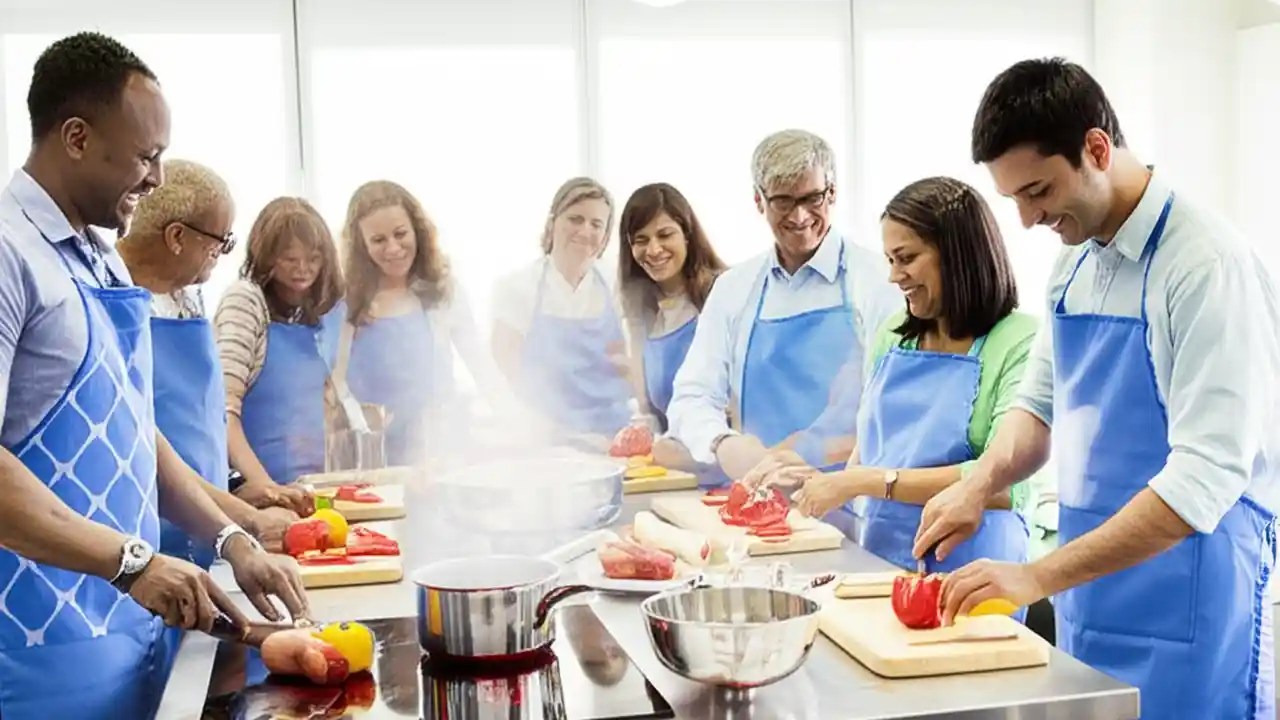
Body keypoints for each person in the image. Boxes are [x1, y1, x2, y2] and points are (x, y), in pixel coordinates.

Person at [914, 58, 1280, 719]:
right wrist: (976, 484)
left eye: (1039, 191)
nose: (1027, 219)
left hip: (1190, 599)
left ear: (1097, 148)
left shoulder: (1205, 266)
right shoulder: (1073, 261)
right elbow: (1037, 405)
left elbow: (1205, 475)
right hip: (1093, 591)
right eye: (1015, 199)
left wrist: (1036, 576)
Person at [0, 32, 306, 719]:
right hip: (37, 654)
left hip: (131, 642)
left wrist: (233, 537)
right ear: (76, 137)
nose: (157, 180)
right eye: (146, 156)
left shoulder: (99, 262)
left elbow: (131, 429)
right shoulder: (8, 255)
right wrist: (135, 562)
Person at [745, 177, 1039, 617]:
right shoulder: (893, 337)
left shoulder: (1017, 340)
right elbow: (867, 453)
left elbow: (1000, 483)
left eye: (906, 259)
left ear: (957, 257)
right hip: (880, 562)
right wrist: (822, 481)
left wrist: (862, 482)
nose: (893, 275)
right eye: (889, 259)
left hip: (975, 575)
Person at [115, 158, 308, 681]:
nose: (223, 256)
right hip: (144, 555)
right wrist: (241, 523)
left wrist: (242, 499)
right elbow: (150, 451)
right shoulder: (116, 306)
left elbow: (199, 429)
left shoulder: (187, 298)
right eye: (219, 242)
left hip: (207, 540)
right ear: (177, 237)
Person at [665, 129, 900, 483]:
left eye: (813, 198)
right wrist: (723, 443)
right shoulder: (733, 289)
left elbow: (893, 402)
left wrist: (819, 456)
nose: (800, 215)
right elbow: (692, 395)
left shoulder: (880, 281)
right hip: (761, 502)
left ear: (832, 193)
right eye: (783, 201)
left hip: (855, 498)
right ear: (759, 201)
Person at [335, 180, 505, 466]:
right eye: (378, 240)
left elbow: (483, 369)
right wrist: (363, 427)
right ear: (361, 246)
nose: (393, 248)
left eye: (400, 234)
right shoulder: (346, 303)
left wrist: (524, 428)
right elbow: (336, 383)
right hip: (373, 461)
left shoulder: (444, 291)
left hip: (440, 455)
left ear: (418, 230)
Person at [215, 197, 343, 511]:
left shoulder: (314, 315)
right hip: (259, 499)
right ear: (265, 256)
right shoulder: (245, 301)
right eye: (290, 259)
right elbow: (222, 412)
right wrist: (269, 491)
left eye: (313, 259)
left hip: (310, 492)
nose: (303, 269)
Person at [491, 177, 635, 447]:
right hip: (547, 444)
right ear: (552, 223)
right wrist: (530, 427)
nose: (585, 230)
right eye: (575, 219)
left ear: (605, 236)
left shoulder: (618, 286)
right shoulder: (518, 288)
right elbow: (502, 371)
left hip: (613, 441)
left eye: (596, 224)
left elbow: (632, 365)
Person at [617, 183, 727, 467]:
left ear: (687, 236)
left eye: (665, 234)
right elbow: (647, 412)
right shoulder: (641, 313)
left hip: (726, 466)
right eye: (641, 239)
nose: (653, 249)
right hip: (677, 471)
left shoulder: (723, 294)